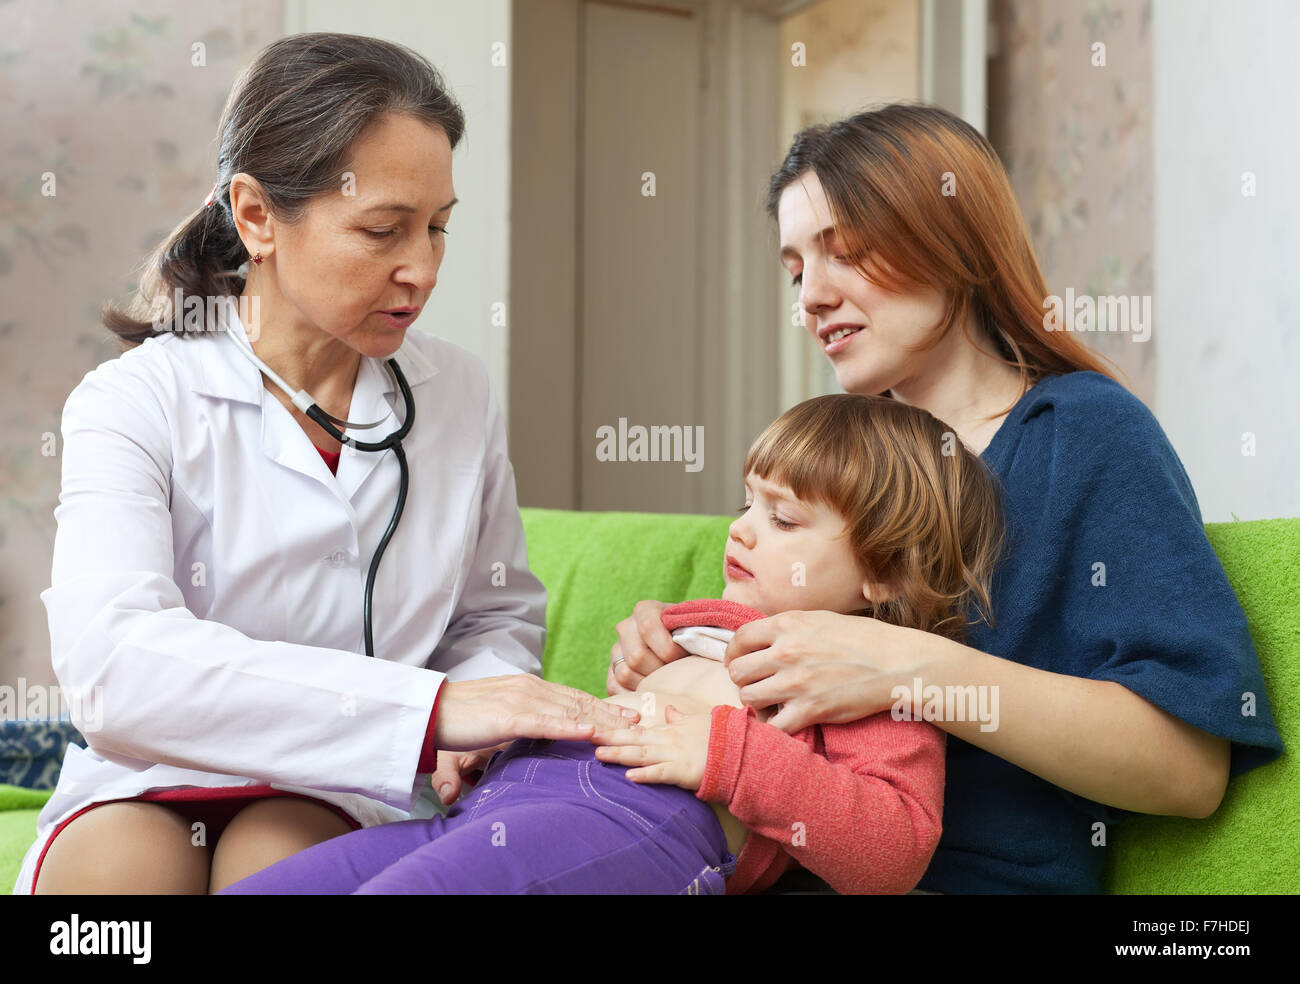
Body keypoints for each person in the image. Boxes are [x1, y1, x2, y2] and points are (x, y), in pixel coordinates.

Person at [16, 33, 636, 897]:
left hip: (348, 783)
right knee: (125, 873)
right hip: (151, 774)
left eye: (437, 228)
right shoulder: (133, 400)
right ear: (258, 216)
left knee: (281, 854)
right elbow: (114, 663)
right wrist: (429, 712)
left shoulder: (454, 391)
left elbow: (491, 618)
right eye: (383, 229)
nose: (420, 268)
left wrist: (482, 706)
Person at [607, 103, 1284, 894]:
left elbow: (1189, 769)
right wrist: (683, 656)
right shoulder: (843, 464)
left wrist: (910, 667)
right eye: (796, 271)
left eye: (846, 252)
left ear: (952, 240)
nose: (811, 298)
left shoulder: (1085, 433)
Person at [218, 392, 1003, 894]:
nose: (740, 528)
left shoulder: (865, 679)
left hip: (641, 831)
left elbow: (892, 854)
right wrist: (510, 736)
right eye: (748, 503)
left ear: (888, 574)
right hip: (502, 804)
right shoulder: (699, 625)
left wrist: (729, 757)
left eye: (784, 520)